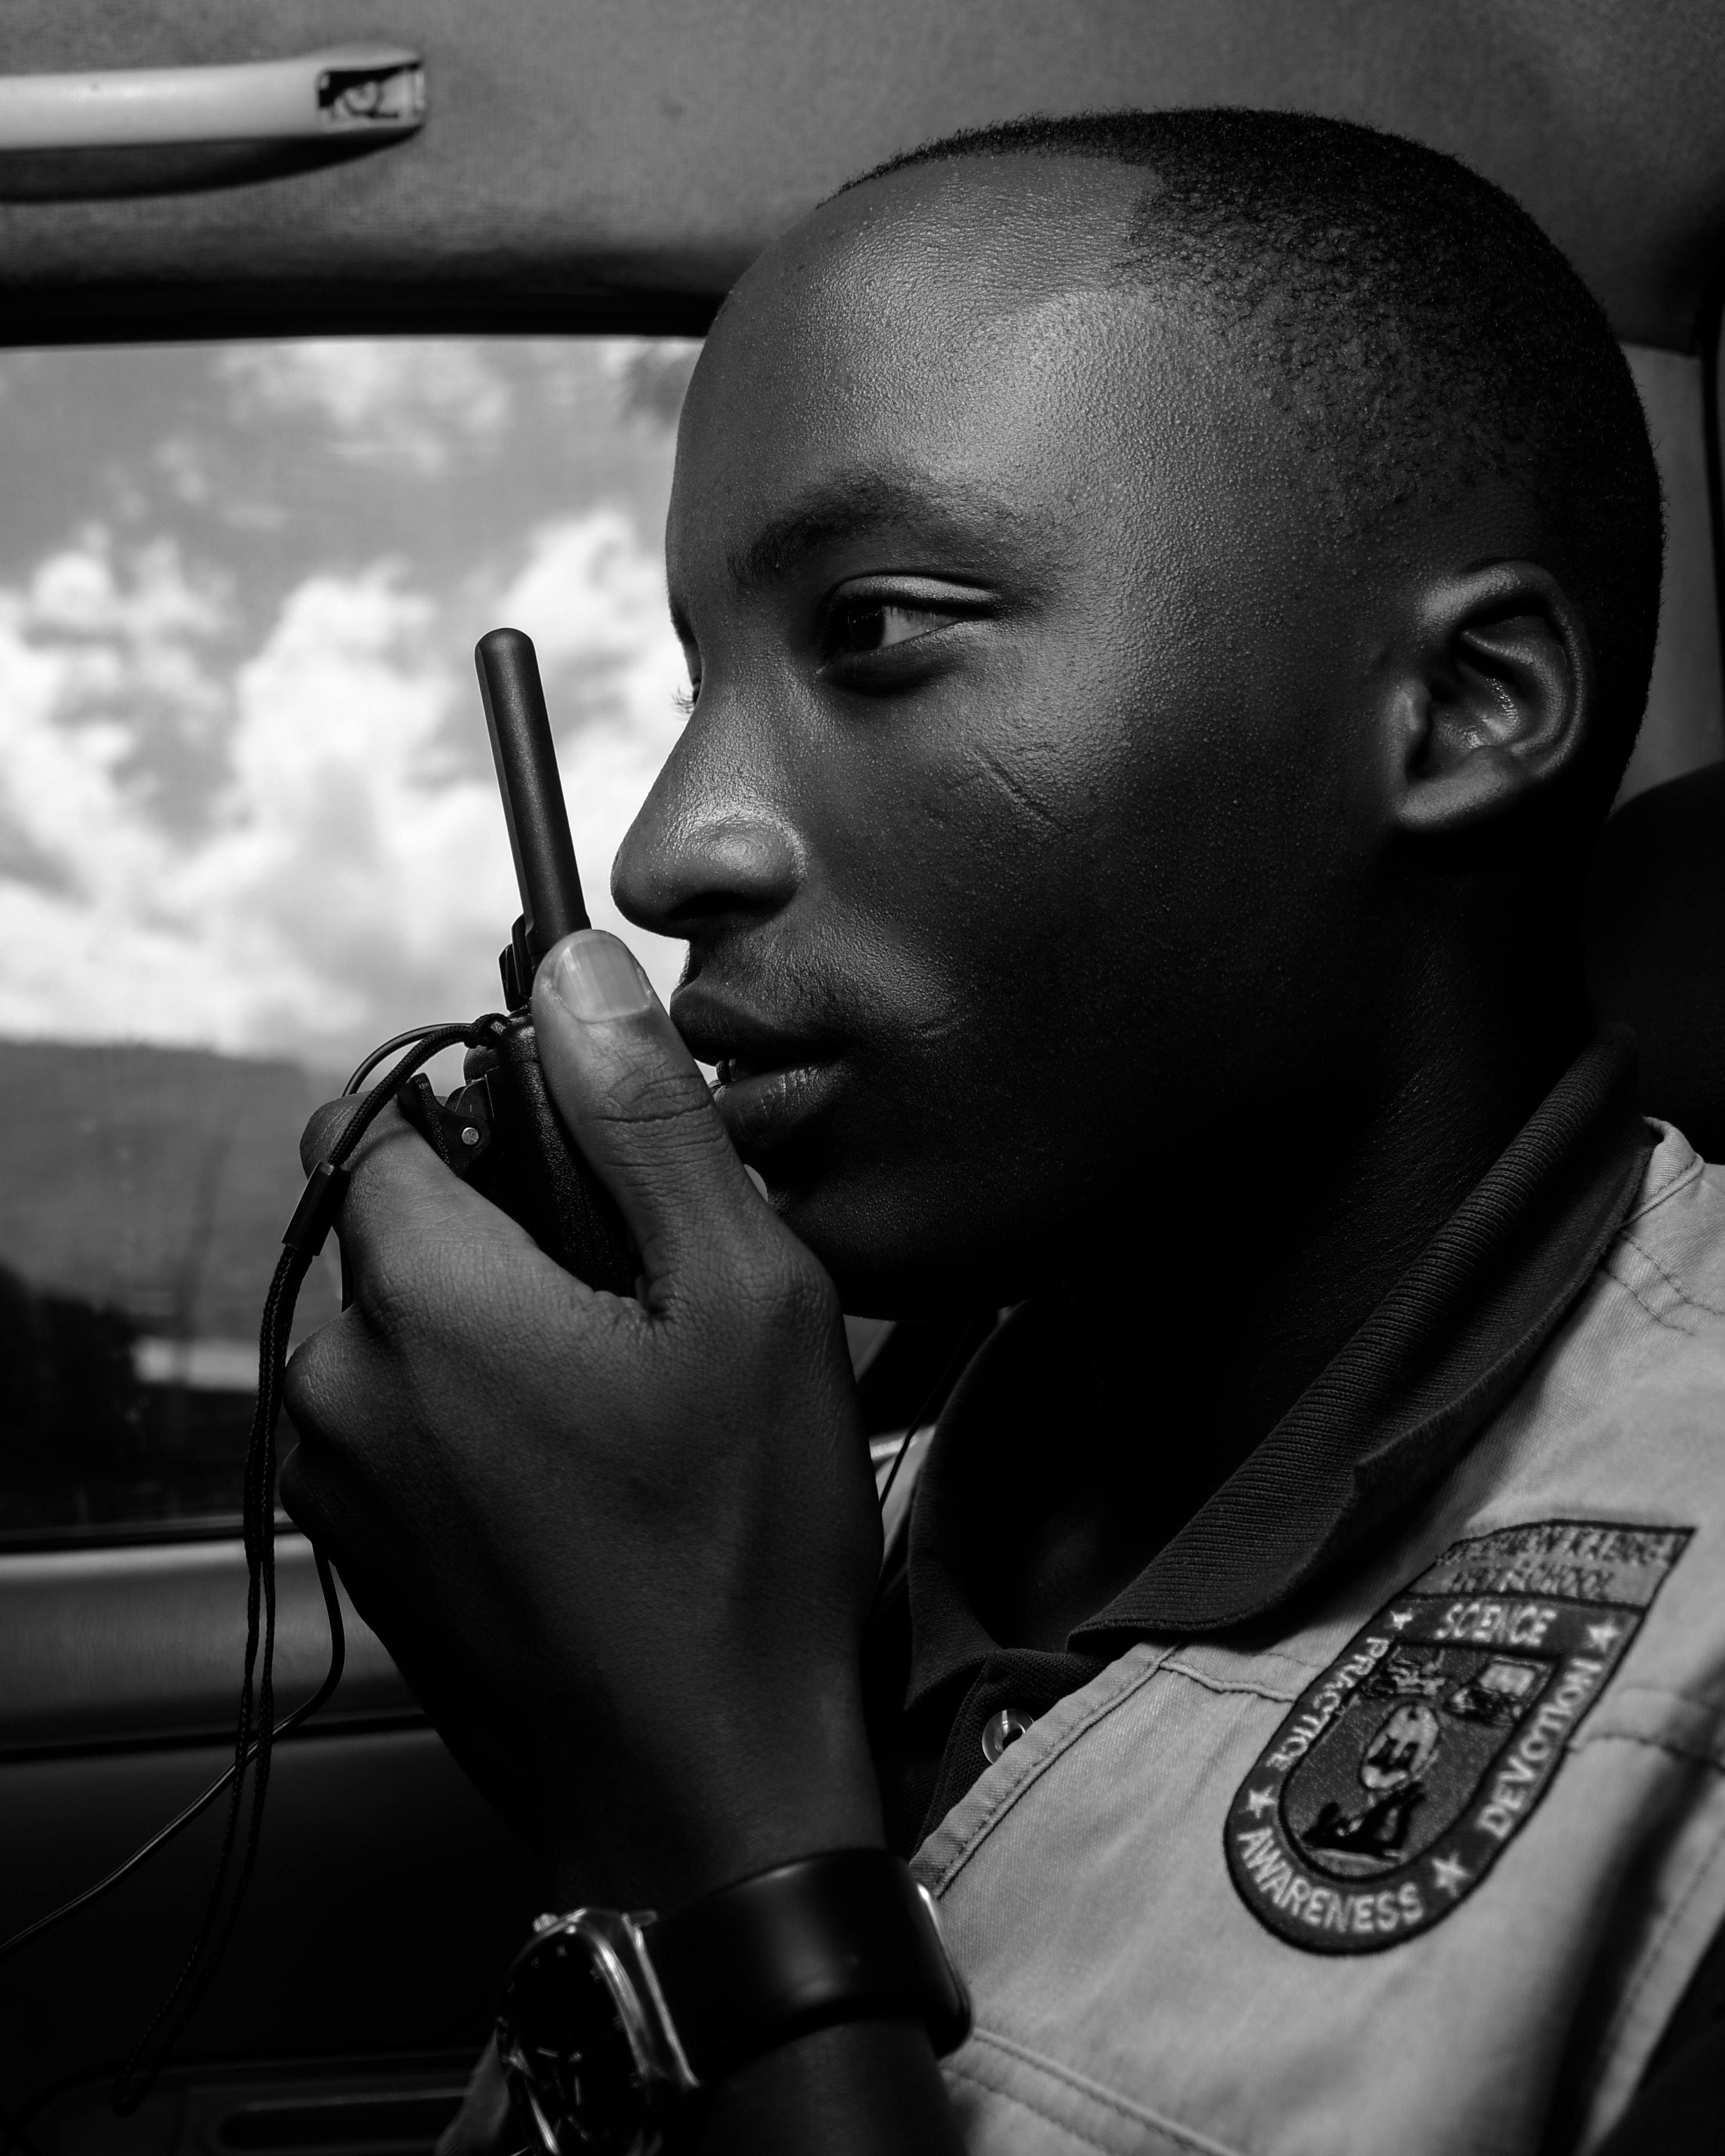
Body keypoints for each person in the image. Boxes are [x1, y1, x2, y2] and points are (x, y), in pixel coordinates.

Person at [281, 110, 1725, 2154]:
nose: (670, 843)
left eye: (874, 632)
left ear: (1464, 707)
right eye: (698, 674)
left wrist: (715, 1842)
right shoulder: (840, 1492)